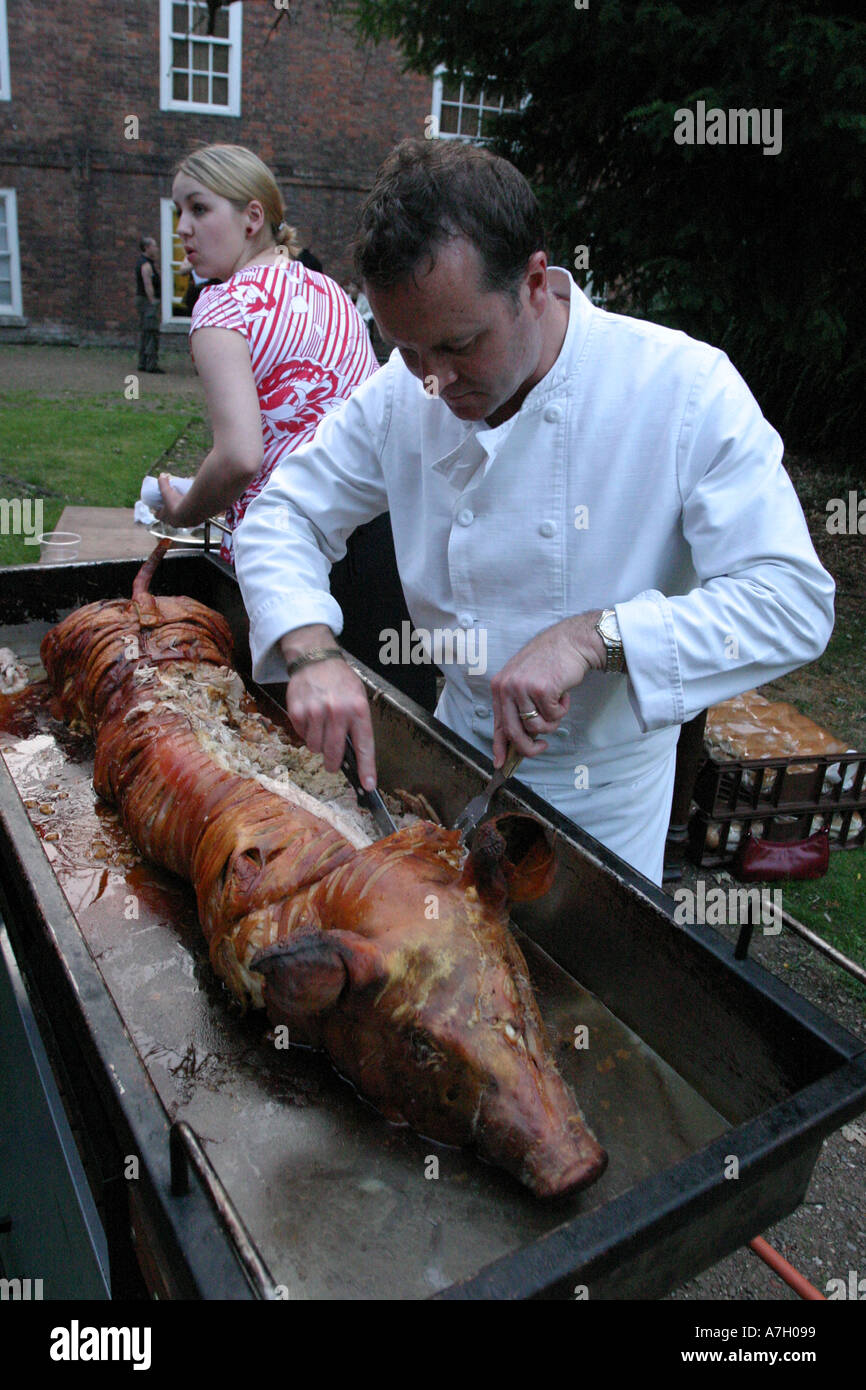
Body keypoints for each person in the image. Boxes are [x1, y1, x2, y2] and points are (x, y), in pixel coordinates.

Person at [233, 138, 835, 885]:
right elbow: (284, 512)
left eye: (459, 345)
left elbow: (791, 601)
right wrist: (312, 649)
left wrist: (597, 635)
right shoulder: (405, 390)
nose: (435, 381)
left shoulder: (682, 389)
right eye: (409, 350)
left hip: (606, 808)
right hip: (450, 763)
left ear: (535, 283)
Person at [156, 143, 435, 708]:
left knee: (287, 752)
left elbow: (239, 457)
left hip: (293, 558)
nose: (183, 229)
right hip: (385, 540)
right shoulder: (330, 290)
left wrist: (182, 512)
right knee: (399, 739)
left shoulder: (221, 308)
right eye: (178, 212)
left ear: (252, 217)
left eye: (200, 209)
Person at [135, 236, 162, 373]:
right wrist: (153, 302)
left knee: (145, 333)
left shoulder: (147, 263)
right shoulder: (146, 265)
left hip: (143, 301)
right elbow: (148, 285)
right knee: (151, 333)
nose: (156, 249)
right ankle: (151, 365)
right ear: (147, 248)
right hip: (147, 302)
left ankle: (142, 363)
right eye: (154, 246)